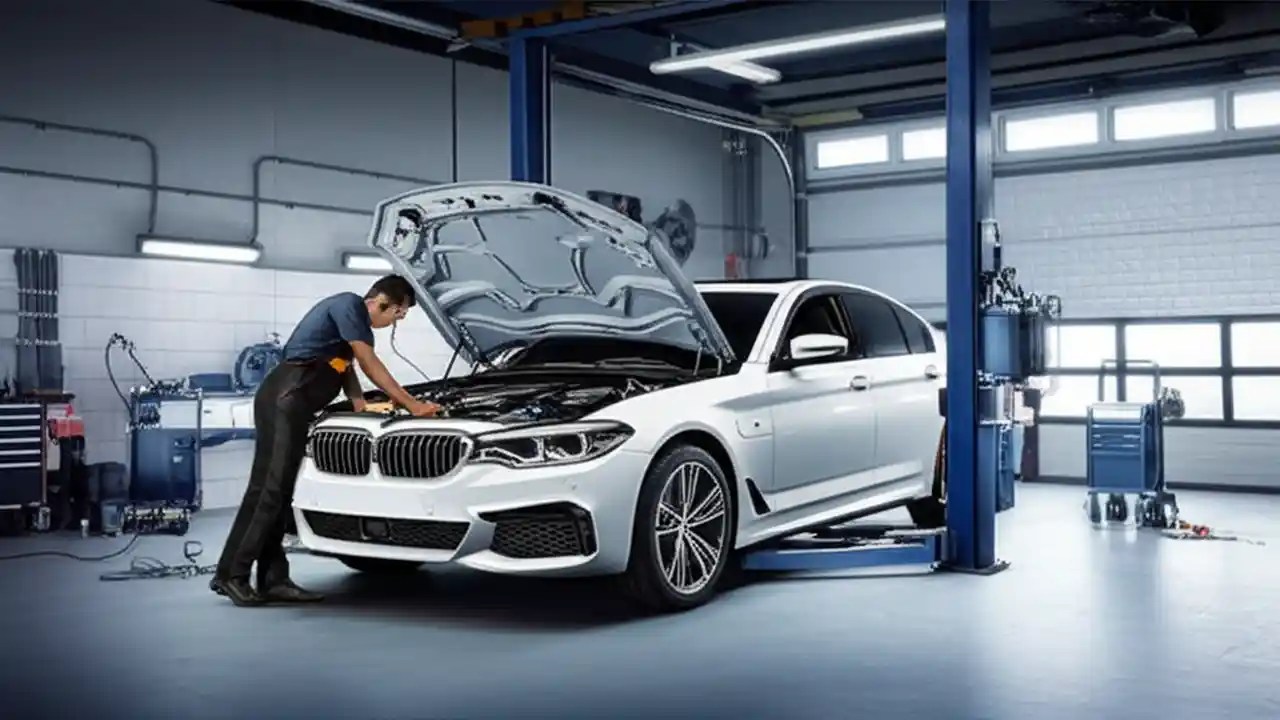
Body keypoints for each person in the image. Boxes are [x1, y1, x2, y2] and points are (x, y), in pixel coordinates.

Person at [211, 274, 442, 606]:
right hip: (285, 399)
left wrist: (360, 403)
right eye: (397, 315)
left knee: (278, 492)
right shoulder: (350, 305)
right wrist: (412, 405)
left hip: (290, 401)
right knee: (269, 491)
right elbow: (367, 361)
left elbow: (343, 365)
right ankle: (231, 575)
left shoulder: (349, 323)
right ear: (381, 304)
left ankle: (273, 578)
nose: (396, 323)